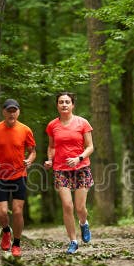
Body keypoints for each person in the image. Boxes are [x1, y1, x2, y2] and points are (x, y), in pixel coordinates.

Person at [0, 99, 36, 257]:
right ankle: (6, 231)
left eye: (14, 110)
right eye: (9, 110)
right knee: (2, 211)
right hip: (1, 176)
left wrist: (30, 160)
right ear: (4, 112)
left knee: (18, 211)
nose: (12, 113)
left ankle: (17, 244)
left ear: (18, 112)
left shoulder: (25, 130)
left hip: (20, 175)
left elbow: (33, 151)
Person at [44, 92, 95, 254]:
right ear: (57, 105)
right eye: (61, 102)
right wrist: (50, 160)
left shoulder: (82, 123)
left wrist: (78, 158)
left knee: (80, 208)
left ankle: (84, 223)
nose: (64, 104)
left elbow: (90, 147)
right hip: (60, 169)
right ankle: (73, 241)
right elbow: (51, 147)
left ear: (73, 105)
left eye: (67, 102)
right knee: (67, 206)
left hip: (81, 168)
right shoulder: (52, 125)